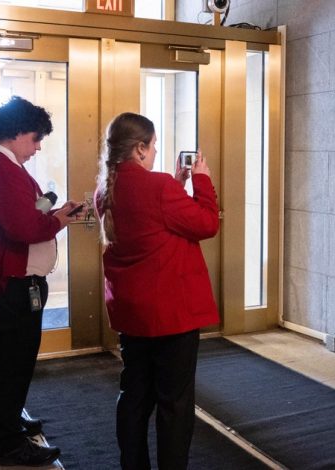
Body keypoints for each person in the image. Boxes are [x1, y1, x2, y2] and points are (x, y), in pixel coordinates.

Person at [95, 112, 220, 470]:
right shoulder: (159, 187)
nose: (154, 153)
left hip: (132, 314)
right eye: (152, 146)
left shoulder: (106, 189)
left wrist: (177, 186)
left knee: (134, 396)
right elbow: (206, 224)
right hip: (171, 314)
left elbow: (152, 223)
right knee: (174, 404)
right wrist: (202, 181)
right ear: (139, 148)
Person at [0, 96, 84, 467]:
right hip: (10, 282)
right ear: (17, 132)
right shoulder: (0, 169)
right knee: (12, 360)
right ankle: (9, 441)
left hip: (18, 279)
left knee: (16, 357)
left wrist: (56, 211)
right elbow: (23, 227)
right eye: (36, 139)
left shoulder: (7, 166)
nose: (37, 148)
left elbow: (28, 213)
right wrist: (58, 221)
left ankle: (10, 419)